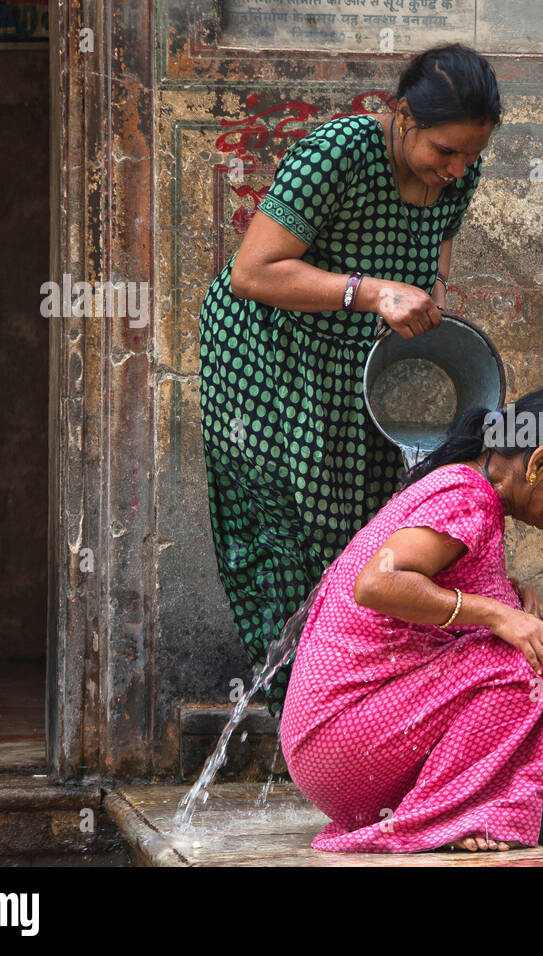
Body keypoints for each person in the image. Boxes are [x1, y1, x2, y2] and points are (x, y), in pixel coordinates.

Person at [198, 44, 500, 715]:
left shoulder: (459, 169)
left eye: (468, 157)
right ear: (402, 117)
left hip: (350, 358)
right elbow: (254, 272)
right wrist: (373, 293)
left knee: (360, 526)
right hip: (265, 352)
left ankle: (349, 701)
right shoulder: (341, 151)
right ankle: (295, 707)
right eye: (444, 152)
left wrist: (435, 291)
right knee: (287, 525)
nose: (455, 170)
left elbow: (439, 239)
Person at [279, 386, 543, 852]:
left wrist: (514, 595)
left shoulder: (464, 487)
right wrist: (499, 614)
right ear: (539, 464)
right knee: (529, 664)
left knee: (527, 642)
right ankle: (443, 820)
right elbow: (377, 584)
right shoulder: (469, 497)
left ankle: (444, 813)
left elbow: (442, 585)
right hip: (340, 741)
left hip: (327, 749)